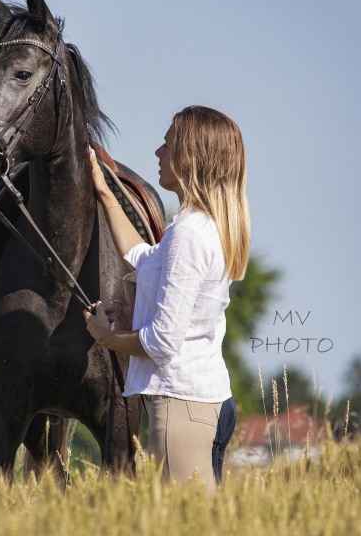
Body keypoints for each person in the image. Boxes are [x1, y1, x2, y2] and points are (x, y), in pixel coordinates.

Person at [84, 105, 251, 493]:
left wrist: (105, 337)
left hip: (182, 407)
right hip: (205, 400)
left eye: (168, 144)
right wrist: (106, 193)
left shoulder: (189, 234)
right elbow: (143, 258)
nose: (158, 153)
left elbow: (161, 341)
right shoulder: (203, 227)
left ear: (191, 156)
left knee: (186, 519)